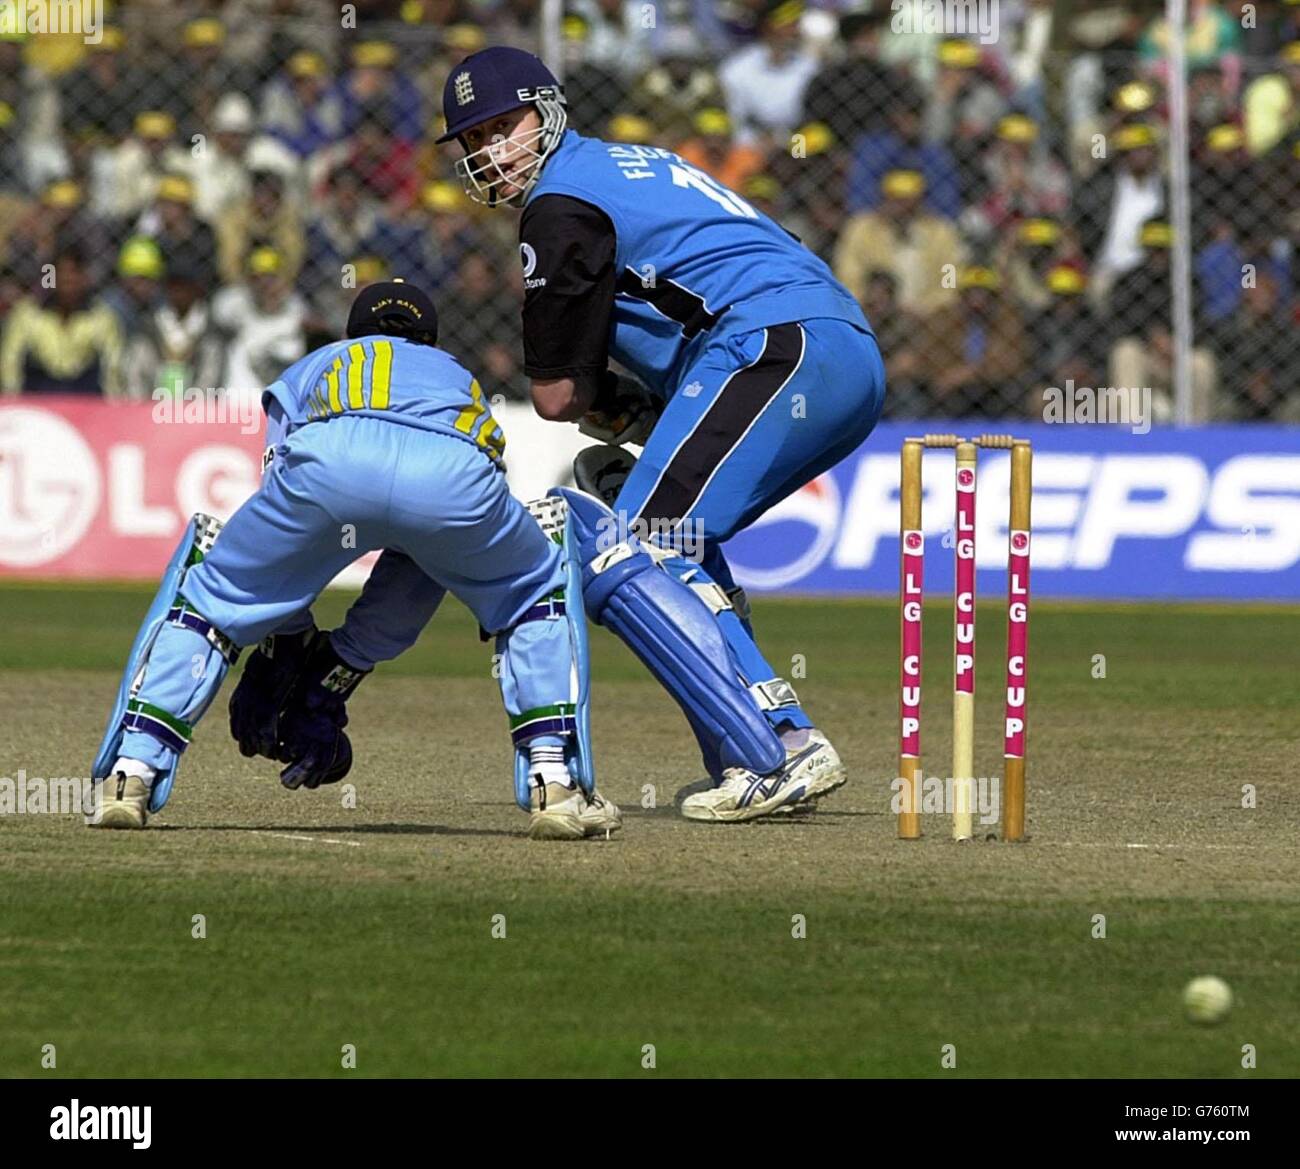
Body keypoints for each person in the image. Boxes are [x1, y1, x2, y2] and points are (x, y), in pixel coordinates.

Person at [436, 46, 887, 823]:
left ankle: (776, 745)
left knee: (638, 542)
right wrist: (634, 410)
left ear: (545, 114)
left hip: (773, 343)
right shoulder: (628, 161)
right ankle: (753, 741)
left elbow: (554, 395)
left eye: (502, 127)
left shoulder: (559, 204)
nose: (489, 150)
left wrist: (602, 401)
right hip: (834, 347)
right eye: (474, 140)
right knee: (677, 535)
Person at [90, 280, 620, 842]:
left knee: (211, 598)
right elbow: (445, 533)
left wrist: (281, 640)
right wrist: (346, 661)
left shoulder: (316, 365)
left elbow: (280, 495)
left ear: (353, 335)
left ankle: (132, 774)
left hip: (331, 466)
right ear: (430, 340)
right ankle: (553, 783)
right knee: (532, 593)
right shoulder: (456, 374)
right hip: (451, 479)